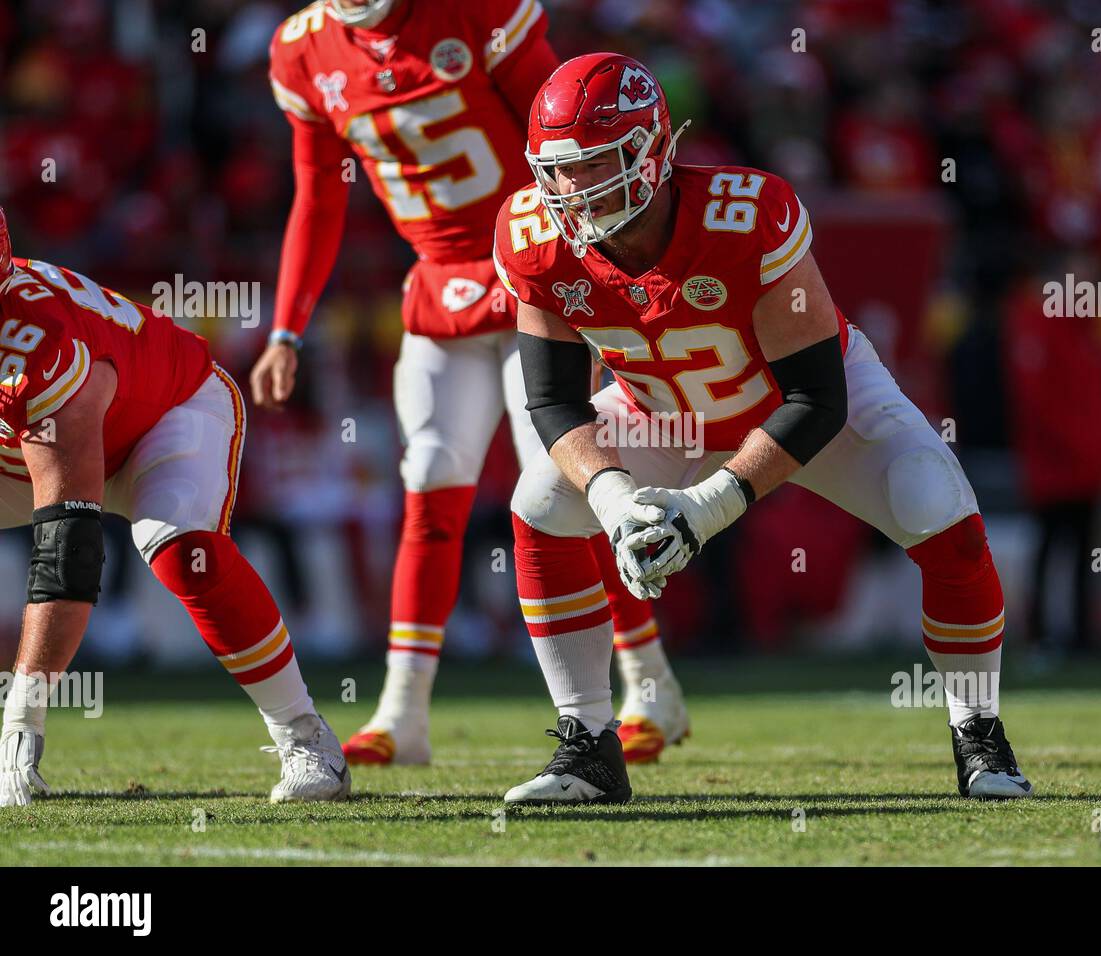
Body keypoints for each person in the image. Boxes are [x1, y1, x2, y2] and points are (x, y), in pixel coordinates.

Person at [493, 52, 1034, 804]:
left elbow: (817, 397)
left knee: (935, 504)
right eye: (557, 169)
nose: (571, 190)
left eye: (594, 164)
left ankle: (979, 733)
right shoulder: (533, 237)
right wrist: (616, 501)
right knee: (544, 504)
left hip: (803, 403)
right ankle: (587, 746)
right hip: (667, 415)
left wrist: (708, 509)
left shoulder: (747, 217)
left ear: (650, 153)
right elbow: (553, 402)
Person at [258, 0, 687, 766]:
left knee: (568, 493)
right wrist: (287, 327)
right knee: (428, 485)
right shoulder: (303, 48)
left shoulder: (471, 11)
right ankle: (403, 712)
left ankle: (648, 685)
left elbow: (569, 149)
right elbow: (318, 195)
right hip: (438, 286)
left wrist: (591, 285)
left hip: (532, 272)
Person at [0, 209, 349, 805]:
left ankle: (305, 738)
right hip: (36, 440)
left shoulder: (38, 349)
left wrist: (22, 716)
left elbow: (69, 555)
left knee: (184, 552)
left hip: (166, 411)